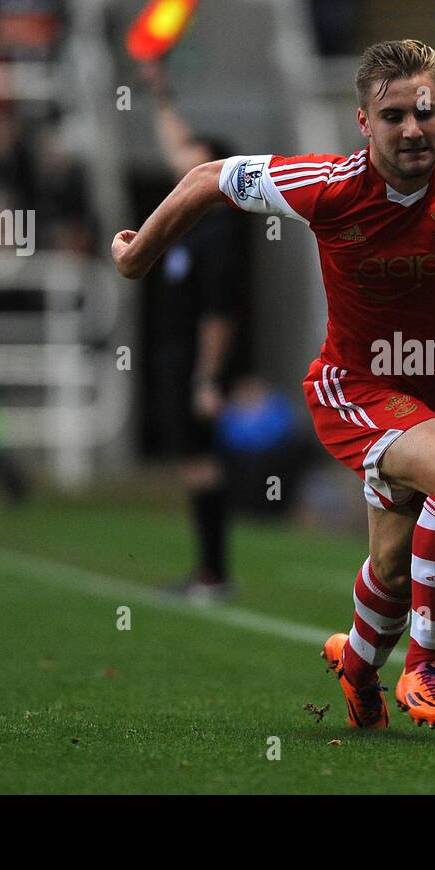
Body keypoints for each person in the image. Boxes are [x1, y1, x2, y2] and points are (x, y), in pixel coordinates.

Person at [111, 40, 435, 732]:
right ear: (364, 122)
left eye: (423, 112)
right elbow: (207, 180)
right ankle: (425, 666)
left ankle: (359, 665)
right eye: (392, 115)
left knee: (394, 572)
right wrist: (136, 259)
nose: (411, 129)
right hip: (359, 386)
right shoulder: (328, 187)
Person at [141, 62, 250, 602]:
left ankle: (214, 574)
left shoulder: (220, 231)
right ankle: (208, 572)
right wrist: (160, 91)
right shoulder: (191, 221)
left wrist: (208, 377)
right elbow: (175, 144)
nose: (178, 164)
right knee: (191, 462)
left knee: (202, 462)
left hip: (196, 364)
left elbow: (220, 312)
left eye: (191, 160)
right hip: (177, 358)